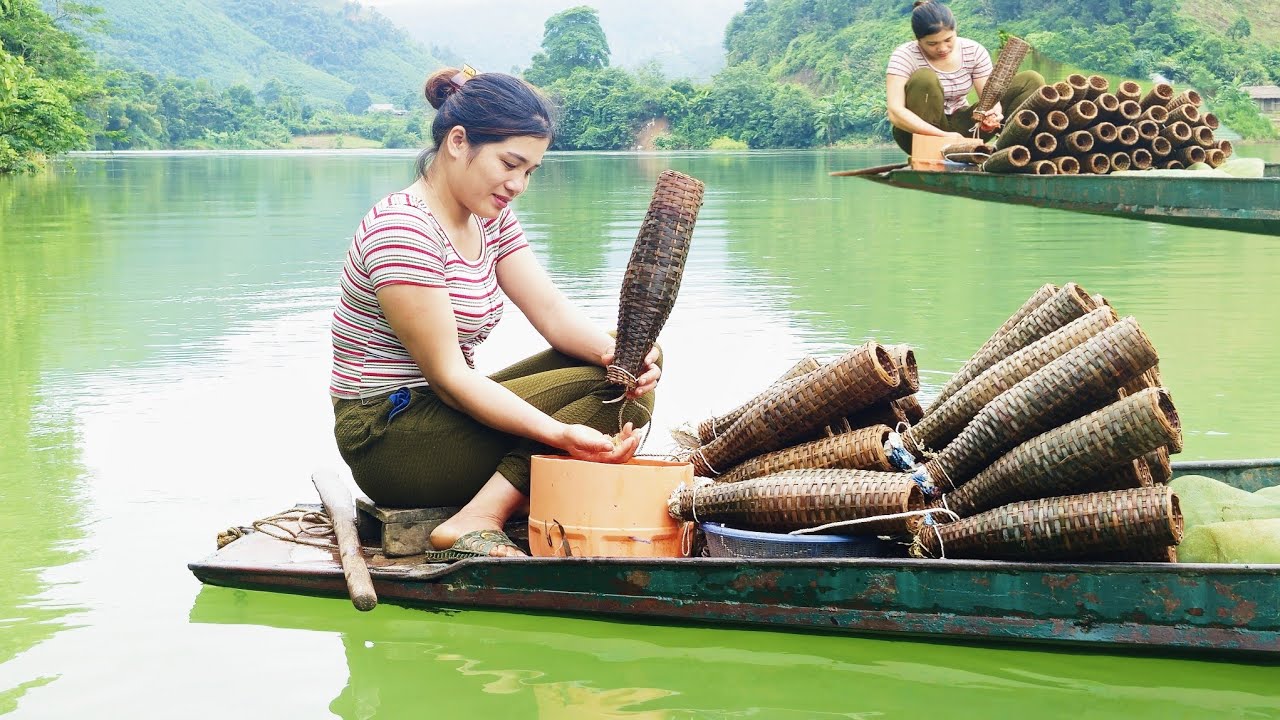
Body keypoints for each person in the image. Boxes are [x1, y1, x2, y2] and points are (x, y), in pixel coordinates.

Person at [329, 67, 661, 558]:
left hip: (444, 412)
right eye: (509, 164)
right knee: (605, 392)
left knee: (630, 367)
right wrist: (559, 433)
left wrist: (627, 357)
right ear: (458, 142)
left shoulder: (490, 217)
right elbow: (449, 379)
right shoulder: (403, 230)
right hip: (390, 437)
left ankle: (494, 498)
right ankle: (479, 517)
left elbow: (550, 312)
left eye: (529, 171)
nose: (518, 185)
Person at [885, 0, 1044, 154]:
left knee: (1031, 80)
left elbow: (990, 98)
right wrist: (944, 136)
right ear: (917, 39)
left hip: (963, 127)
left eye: (948, 40)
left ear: (956, 30)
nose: (942, 48)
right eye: (932, 44)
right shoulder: (904, 56)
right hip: (920, 134)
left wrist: (992, 115)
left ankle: (1008, 151)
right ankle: (931, 153)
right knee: (924, 78)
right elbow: (895, 112)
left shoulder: (973, 50)